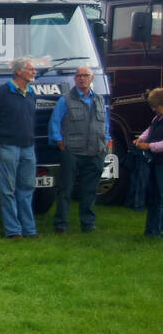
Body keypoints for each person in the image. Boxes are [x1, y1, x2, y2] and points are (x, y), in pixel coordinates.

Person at [0, 57, 39, 239]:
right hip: (6, 147)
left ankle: (29, 230)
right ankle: (13, 231)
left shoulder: (30, 93)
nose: (34, 72)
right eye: (30, 69)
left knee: (27, 188)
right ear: (19, 71)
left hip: (28, 148)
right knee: (8, 191)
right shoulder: (2, 93)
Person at [50, 67, 112, 233]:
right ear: (75, 79)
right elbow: (55, 122)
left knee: (90, 190)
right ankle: (61, 224)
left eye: (85, 76)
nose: (82, 79)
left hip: (96, 152)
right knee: (65, 190)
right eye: (78, 76)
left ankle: (88, 224)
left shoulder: (99, 99)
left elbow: (105, 123)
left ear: (91, 78)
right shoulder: (66, 100)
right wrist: (60, 143)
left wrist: (106, 142)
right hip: (72, 152)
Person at [132, 87, 163, 237]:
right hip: (155, 163)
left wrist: (149, 146)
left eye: (155, 107)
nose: (153, 110)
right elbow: (149, 130)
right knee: (154, 197)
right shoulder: (157, 119)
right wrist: (141, 139)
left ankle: (158, 228)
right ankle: (152, 230)